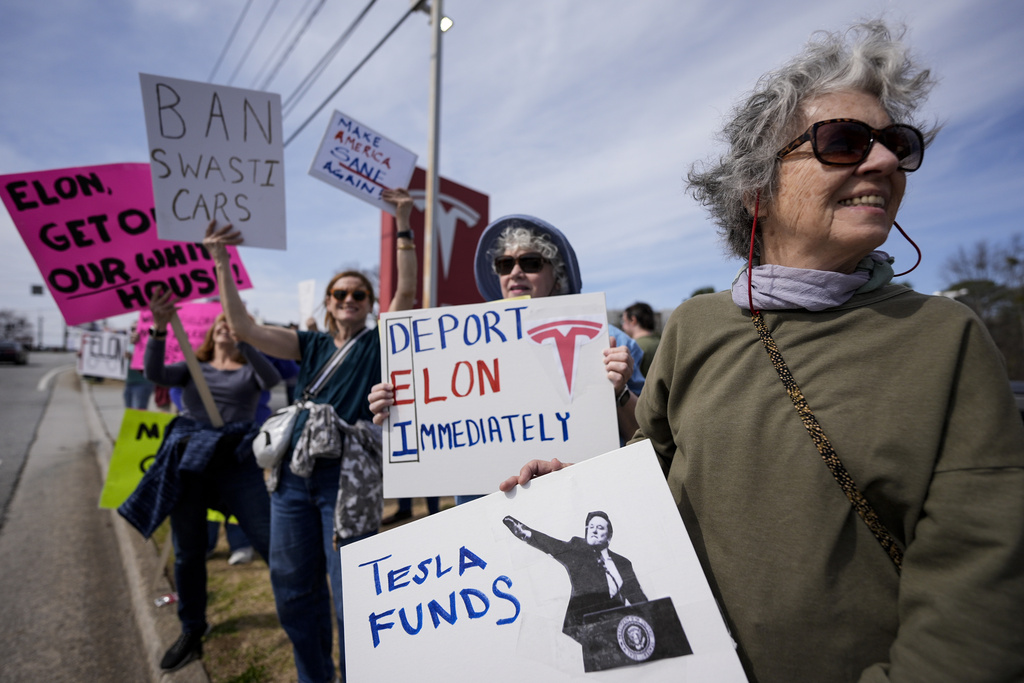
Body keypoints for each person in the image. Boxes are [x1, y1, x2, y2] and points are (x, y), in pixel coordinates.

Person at [500, 21, 1024, 682]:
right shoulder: (695, 326)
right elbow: (652, 481)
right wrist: (574, 487)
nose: (886, 161)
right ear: (758, 189)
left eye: (897, 143)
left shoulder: (947, 339)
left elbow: (977, 605)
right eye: (844, 141)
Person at [204, 187, 417, 683]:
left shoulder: (379, 341)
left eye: (358, 295)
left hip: (346, 482)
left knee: (351, 593)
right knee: (291, 587)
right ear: (328, 302)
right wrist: (221, 260)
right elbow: (242, 325)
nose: (348, 300)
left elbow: (405, 292)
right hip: (292, 482)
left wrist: (403, 222)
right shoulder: (310, 343)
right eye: (339, 294)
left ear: (369, 304)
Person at [369, 214, 646, 504]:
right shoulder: (460, 346)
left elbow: (645, 436)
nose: (515, 272)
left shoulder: (609, 339)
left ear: (558, 273)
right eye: (504, 264)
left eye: (530, 262)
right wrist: (397, 410)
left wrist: (620, 391)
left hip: (581, 499)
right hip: (489, 506)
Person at [121, 292, 281, 672]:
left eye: (234, 322)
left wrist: (249, 341)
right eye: (222, 322)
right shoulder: (192, 365)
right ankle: (192, 628)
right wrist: (159, 329)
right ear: (211, 331)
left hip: (237, 464)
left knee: (272, 540)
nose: (226, 326)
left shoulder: (249, 368)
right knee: (189, 552)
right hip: (191, 463)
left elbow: (272, 379)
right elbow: (155, 374)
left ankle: (300, 612)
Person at [502, 511, 646, 643]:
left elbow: (638, 598)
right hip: (579, 634)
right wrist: (525, 532)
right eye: (591, 527)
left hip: (615, 633)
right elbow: (550, 544)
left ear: (609, 535)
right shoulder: (576, 551)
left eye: (600, 528)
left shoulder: (623, 563)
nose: (594, 530)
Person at [620, 302, 660, 377]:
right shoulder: (662, 342)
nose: (623, 327)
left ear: (633, 320)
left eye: (624, 321)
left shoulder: (631, 347)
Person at [122, 321, 154, 409]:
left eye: (137, 329)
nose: (134, 331)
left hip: (143, 383)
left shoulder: (149, 344)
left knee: (138, 412)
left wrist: (133, 358)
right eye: (132, 329)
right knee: (129, 411)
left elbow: (151, 362)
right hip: (129, 382)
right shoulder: (128, 344)